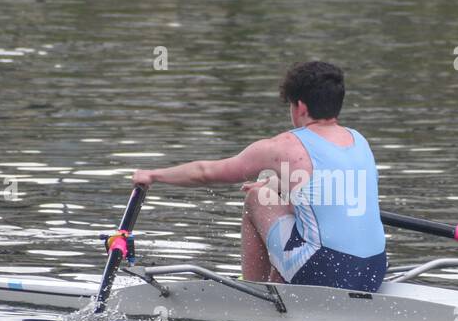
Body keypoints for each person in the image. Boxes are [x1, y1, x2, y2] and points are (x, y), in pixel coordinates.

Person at [131, 61, 387, 290]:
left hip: (325, 272)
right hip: (372, 272)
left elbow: (205, 173)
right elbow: (325, 188)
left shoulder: (283, 146)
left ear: (299, 106)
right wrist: (278, 183)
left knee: (257, 198)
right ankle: (280, 281)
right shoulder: (359, 140)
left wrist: (153, 175)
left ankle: (254, 292)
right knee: (286, 206)